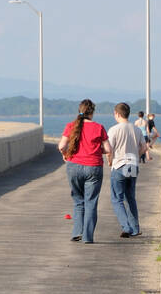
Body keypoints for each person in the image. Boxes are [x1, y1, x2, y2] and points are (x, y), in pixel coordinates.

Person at [57, 99, 111, 243]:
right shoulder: (99, 127)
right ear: (92, 112)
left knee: (78, 200)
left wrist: (66, 154)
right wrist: (96, 150)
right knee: (91, 202)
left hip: (73, 166)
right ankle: (87, 237)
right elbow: (108, 149)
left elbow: (62, 146)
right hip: (93, 166)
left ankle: (77, 232)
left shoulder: (71, 126)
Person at [107, 102, 146, 238]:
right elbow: (144, 147)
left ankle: (126, 227)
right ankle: (135, 228)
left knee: (117, 198)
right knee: (130, 198)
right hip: (133, 164)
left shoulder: (114, 129)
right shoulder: (136, 129)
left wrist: (109, 160)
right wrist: (137, 155)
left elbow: (109, 149)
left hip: (119, 165)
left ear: (117, 114)